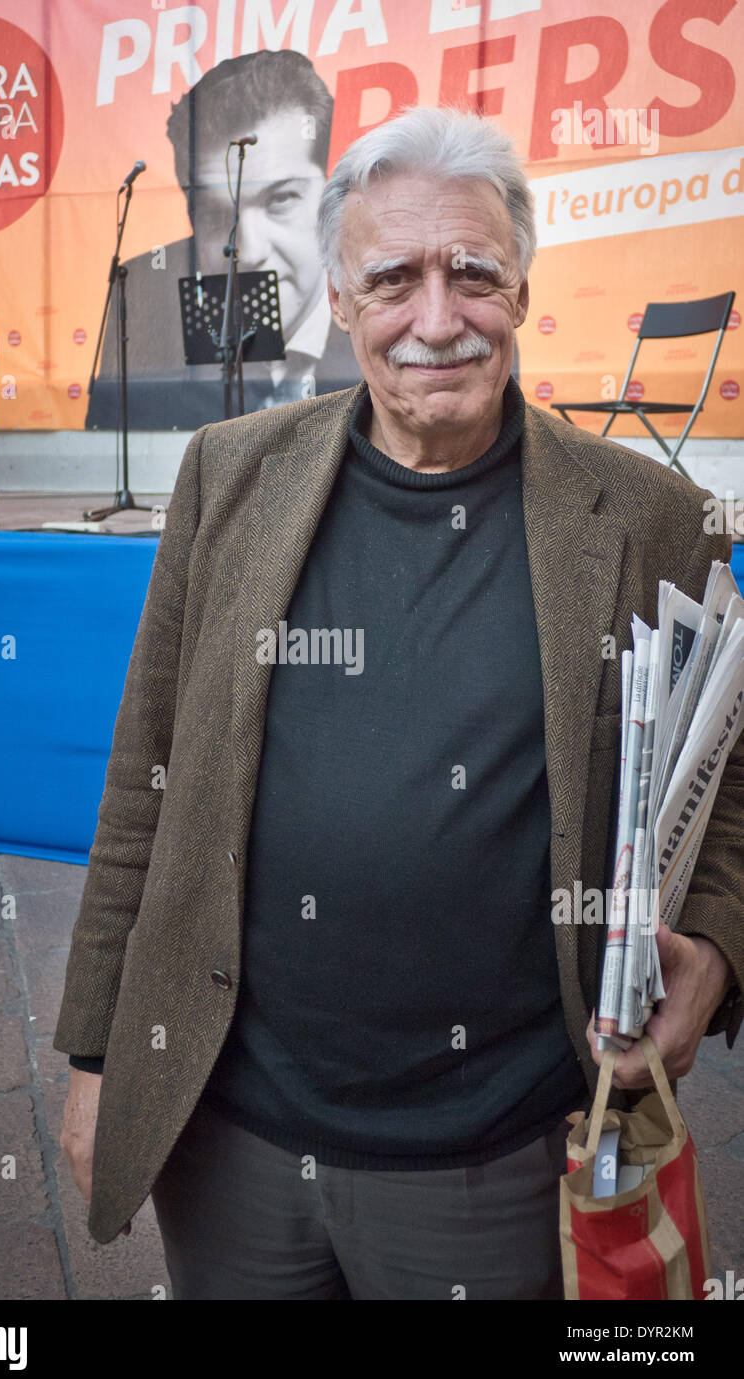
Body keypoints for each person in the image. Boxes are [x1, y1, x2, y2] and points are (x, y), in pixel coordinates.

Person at [57, 106, 743, 1300]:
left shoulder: (650, 521)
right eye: (393, 279)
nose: (438, 319)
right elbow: (142, 784)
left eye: (472, 272)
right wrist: (98, 1055)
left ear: (521, 287)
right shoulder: (227, 476)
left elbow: (725, 792)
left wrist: (720, 956)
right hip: (233, 1141)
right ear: (337, 294)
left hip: (498, 1162)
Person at [85, 49, 359, 430]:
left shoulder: (381, 292)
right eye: (216, 214)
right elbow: (111, 434)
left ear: (329, 196)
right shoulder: (143, 293)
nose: (249, 250)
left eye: (280, 200)